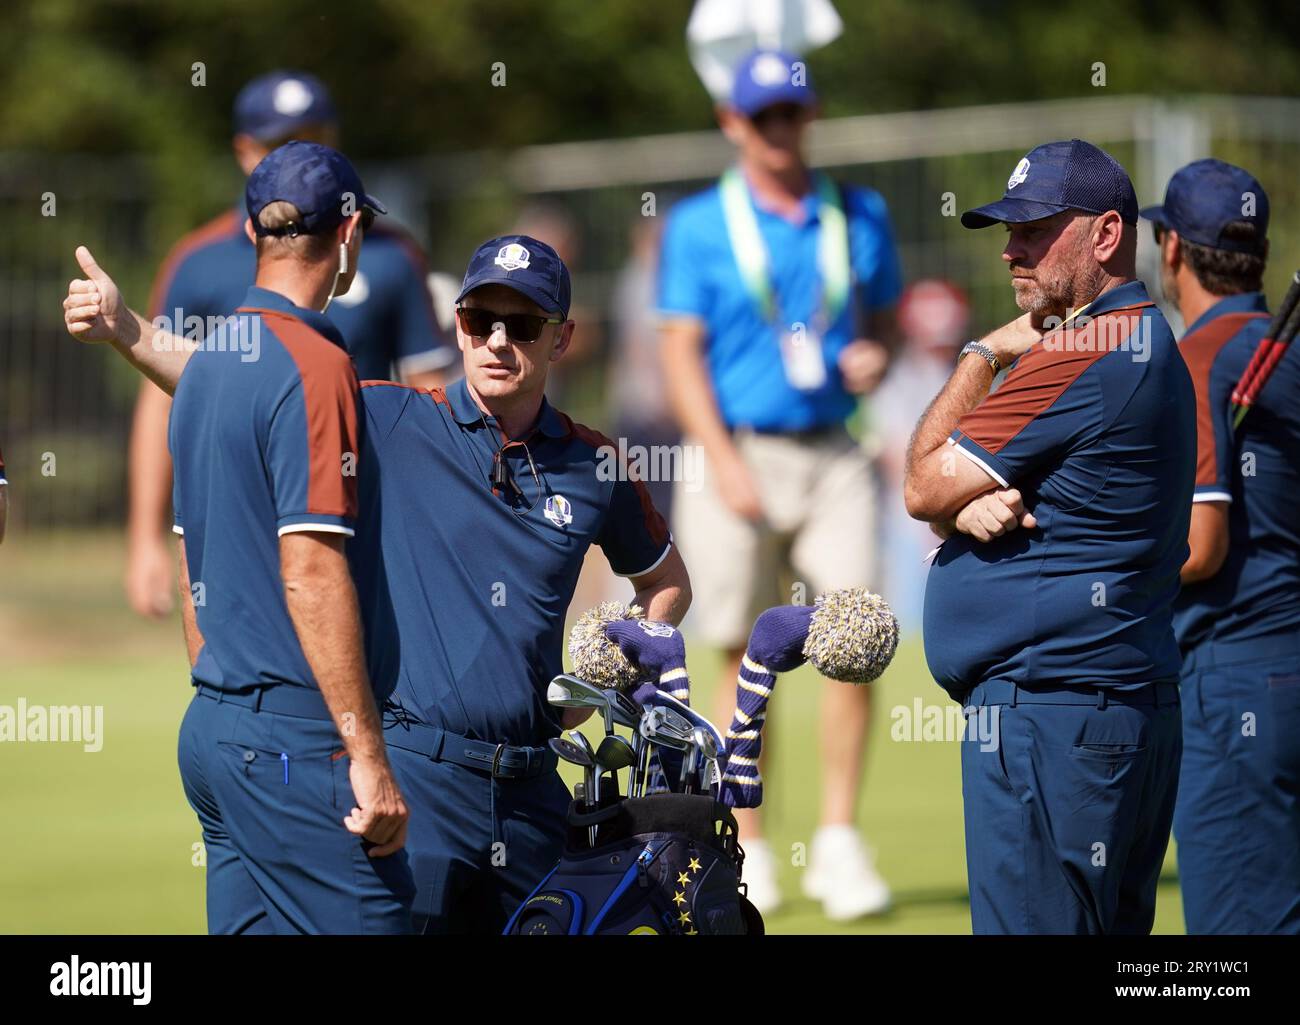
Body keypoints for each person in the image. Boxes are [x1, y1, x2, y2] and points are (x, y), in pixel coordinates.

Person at [66, 227, 690, 934]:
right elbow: (238, 385)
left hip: (535, 794)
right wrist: (125, 330)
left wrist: (611, 673)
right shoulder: (392, 418)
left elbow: (666, 582)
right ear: (456, 326)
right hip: (416, 782)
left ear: (561, 338)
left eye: (520, 324)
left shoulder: (594, 464)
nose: (495, 340)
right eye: (477, 319)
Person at [64, 141, 414, 933]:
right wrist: (366, 753)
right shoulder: (318, 364)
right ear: (350, 233)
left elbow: (193, 555)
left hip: (216, 731)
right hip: (300, 743)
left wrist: (125, 329)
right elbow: (313, 572)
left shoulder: (216, 357)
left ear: (254, 235)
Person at [904, 139, 1195, 934]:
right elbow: (945, 500)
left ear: (1105, 236)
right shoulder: (1142, 337)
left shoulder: (1085, 346)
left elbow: (921, 482)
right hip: (1111, 712)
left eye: (1034, 229)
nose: (1011, 248)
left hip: (1053, 720)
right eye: (1009, 229)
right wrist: (959, 509)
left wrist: (984, 351)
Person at [659, 47, 902, 919]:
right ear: (733, 122)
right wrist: (720, 460)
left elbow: (884, 321)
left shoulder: (857, 213)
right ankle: (749, 844)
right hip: (734, 446)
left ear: (811, 116)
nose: (776, 130)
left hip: (834, 446)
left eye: (789, 114)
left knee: (852, 635)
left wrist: (881, 354)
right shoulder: (698, 224)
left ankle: (838, 839)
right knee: (735, 644)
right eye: (760, 116)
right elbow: (679, 350)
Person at [125, 69, 452, 620]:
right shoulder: (197, 261)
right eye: (282, 142)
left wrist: (441, 517)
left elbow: (430, 395)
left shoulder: (390, 252)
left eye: (316, 137)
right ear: (244, 151)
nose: (301, 154)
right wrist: (143, 539)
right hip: (241, 518)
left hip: (362, 510)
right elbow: (162, 401)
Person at [1143, 159, 1300, 934]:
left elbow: (1200, 548)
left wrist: (1095, 573)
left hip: (1235, 674)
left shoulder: (1200, 357)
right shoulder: (1281, 351)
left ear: (1172, 248)